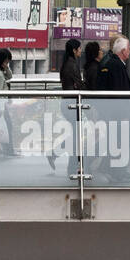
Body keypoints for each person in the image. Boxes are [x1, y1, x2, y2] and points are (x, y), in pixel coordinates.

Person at [95, 35, 130, 183]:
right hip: (118, 114)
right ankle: (115, 171)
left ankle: (118, 169)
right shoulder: (116, 65)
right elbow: (119, 91)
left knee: (121, 141)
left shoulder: (114, 62)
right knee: (122, 141)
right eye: (129, 49)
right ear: (124, 51)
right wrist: (124, 114)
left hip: (114, 113)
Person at [52, 38, 84, 173]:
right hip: (71, 103)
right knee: (76, 136)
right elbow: (78, 84)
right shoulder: (71, 65)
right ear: (74, 50)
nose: (81, 51)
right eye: (79, 48)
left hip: (68, 102)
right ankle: (72, 166)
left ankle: (55, 154)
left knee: (76, 135)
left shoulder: (67, 63)